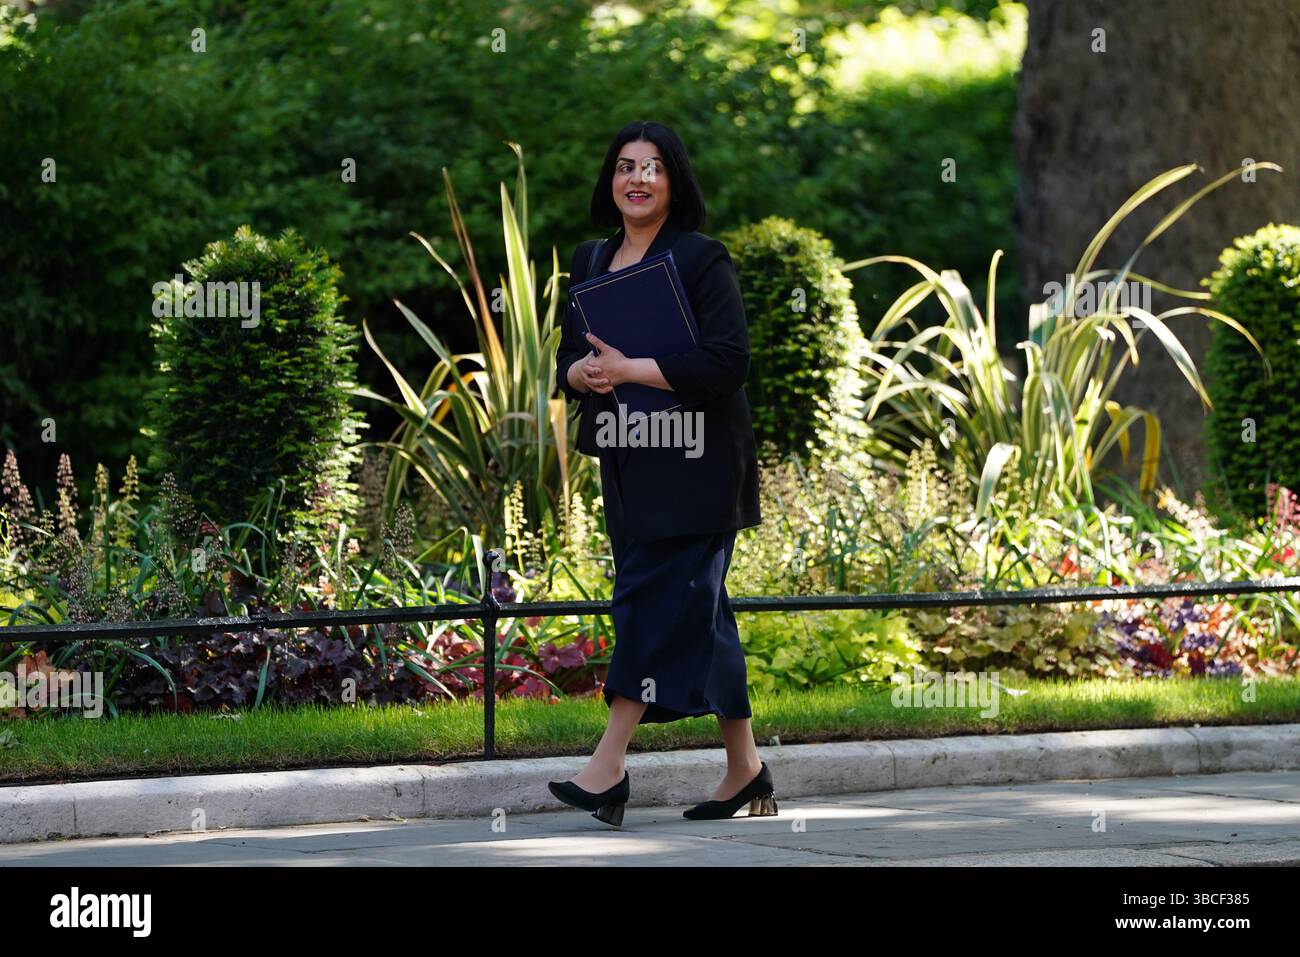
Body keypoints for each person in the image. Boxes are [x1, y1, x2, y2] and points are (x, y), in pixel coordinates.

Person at [547, 121, 777, 826]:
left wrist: (631, 368)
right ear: (610, 181)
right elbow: (568, 365)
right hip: (630, 455)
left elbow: (726, 363)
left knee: (649, 599)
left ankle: (608, 763)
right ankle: (745, 769)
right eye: (624, 167)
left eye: (651, 168)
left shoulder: (703, 259)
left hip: (701, 463)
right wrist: (586, 375)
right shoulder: (589, 259)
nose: (636, 179)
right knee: (704, 615)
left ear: (674, 180)